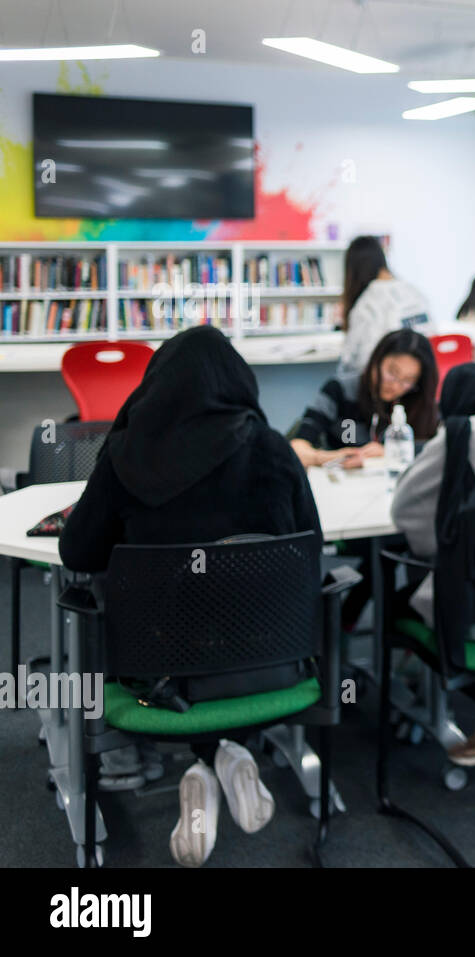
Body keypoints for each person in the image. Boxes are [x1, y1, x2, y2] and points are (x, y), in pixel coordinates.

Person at [59, 325, 323, 867]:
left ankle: (200, 763)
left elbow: (77, 554)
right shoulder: (273, 449)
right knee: (224, 626)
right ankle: (222, 753)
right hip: (269, 660)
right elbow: (311, 552)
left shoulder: (128, 456)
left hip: (156, 675)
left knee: (111, 605)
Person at [390, 362, 475, 766]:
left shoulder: (463, 434)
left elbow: (405, 511)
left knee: (393, 598)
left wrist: (444, 547)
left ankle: (402, 700)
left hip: (471, 618)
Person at [290, 328, 440, 470]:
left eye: (408, 380)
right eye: (392, 372)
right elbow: (297, 447)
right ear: (376, 360)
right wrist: (328, 457)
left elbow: (441, 447)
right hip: (341, 481)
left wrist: (391, 451)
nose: (395, 385)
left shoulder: (418, 400)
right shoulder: (339, 390)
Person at [337, 235, 432, 379]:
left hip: (387, 384)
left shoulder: (367, 304)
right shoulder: (414, 292)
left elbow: (352, 362)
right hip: (419, 380)